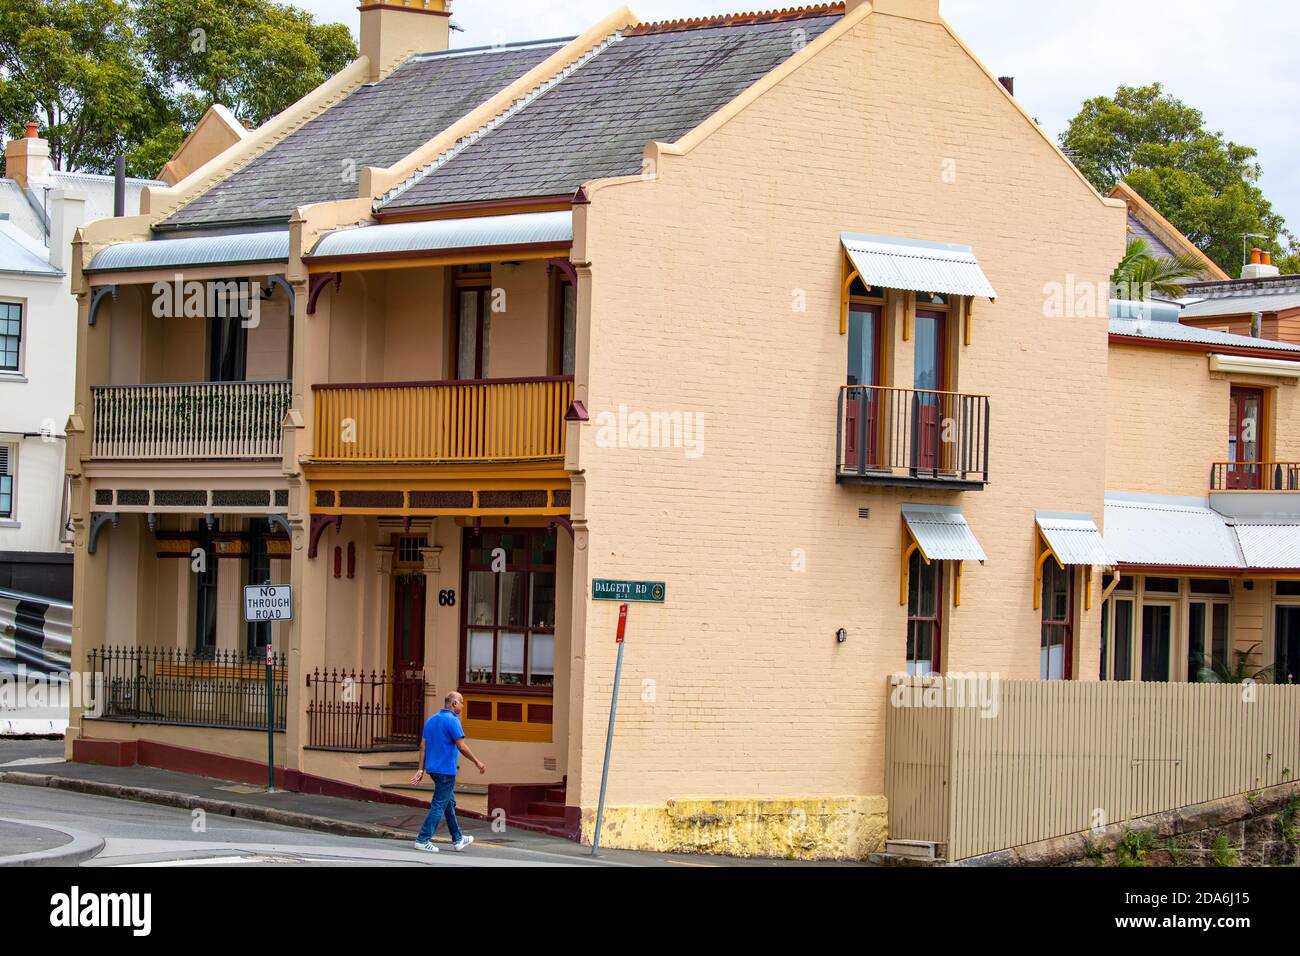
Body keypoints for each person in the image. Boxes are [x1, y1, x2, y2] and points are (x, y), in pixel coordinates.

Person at [412, 691, 485, 852]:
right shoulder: (453, 720)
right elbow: (461, 746)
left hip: (433, 770)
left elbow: (423, 746)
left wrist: (420, 769)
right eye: (461, 702)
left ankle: (457, 839)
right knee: (439, 805)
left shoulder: (431, 720)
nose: (463, 705)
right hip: (446, 771)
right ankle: (422, 839)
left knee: (448, 803)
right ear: (453, 704)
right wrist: (477, 761)